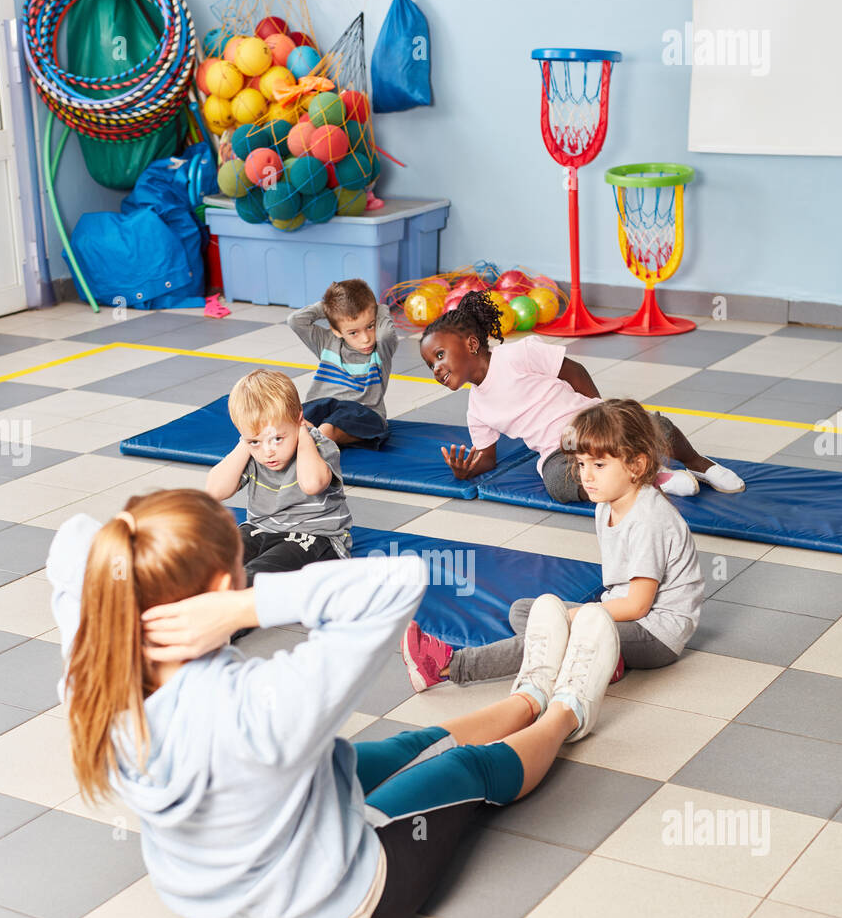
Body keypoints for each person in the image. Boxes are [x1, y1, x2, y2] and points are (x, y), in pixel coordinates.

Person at [45, 490, 620, 918]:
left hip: (199, 893)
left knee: (405, 745)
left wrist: (139, 560)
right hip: (329, 912)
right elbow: (397, 583)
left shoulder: (90, 661)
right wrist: (247, 607)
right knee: (462, 766)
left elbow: (71, 542)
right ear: (223, 589)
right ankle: (567, 707)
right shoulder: (258, 703)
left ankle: (530, 693)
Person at [402, 399, 705, 693]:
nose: (586, 476)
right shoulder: (606, 505)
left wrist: (570, 619)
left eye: (599, 465)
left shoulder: (649, 518)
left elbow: (637, 605)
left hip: (655, 633)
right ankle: (599, 657)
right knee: (523, 611)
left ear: (636, 465)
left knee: (549, 632)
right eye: (582, 463)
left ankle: (450, 666)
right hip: (625, 615)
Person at [419, 290, 746, 501]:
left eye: (440, 356)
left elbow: (573, 371)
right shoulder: (476, 409)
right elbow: (487, 458)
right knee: (557, 484)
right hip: (560, 451)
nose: (435, 368)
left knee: (651, 425)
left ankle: (697, 463)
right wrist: (467, 471)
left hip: (589, 423)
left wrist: (602, 411)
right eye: (430, 363)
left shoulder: (518, 354)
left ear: (471, 345)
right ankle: (649, 479)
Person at [206, 368, 353, 585]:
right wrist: (245, 442)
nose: (267, 452)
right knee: (211, 565)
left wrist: (302, 434)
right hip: (259, 530)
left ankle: (228, 608)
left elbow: (312, 484)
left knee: (256, 575)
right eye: (255, 442)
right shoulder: (252, 451)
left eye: (276, 439)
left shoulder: (319, 445)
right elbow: (214, 491)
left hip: (314, 538)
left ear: (298, 420)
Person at [287, 278, 398, 449]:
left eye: (370, 326)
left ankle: (315, 442)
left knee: (328, 428)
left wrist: (379, 308)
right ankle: (308, 439)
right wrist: (333, 310)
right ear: (337, 331)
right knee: (290, 422)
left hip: (363, 412)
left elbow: (385, 334)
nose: (366, 339)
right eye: (353, 332)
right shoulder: (326, 341)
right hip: (321, 404)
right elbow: (295, 320)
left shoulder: (380, 349)